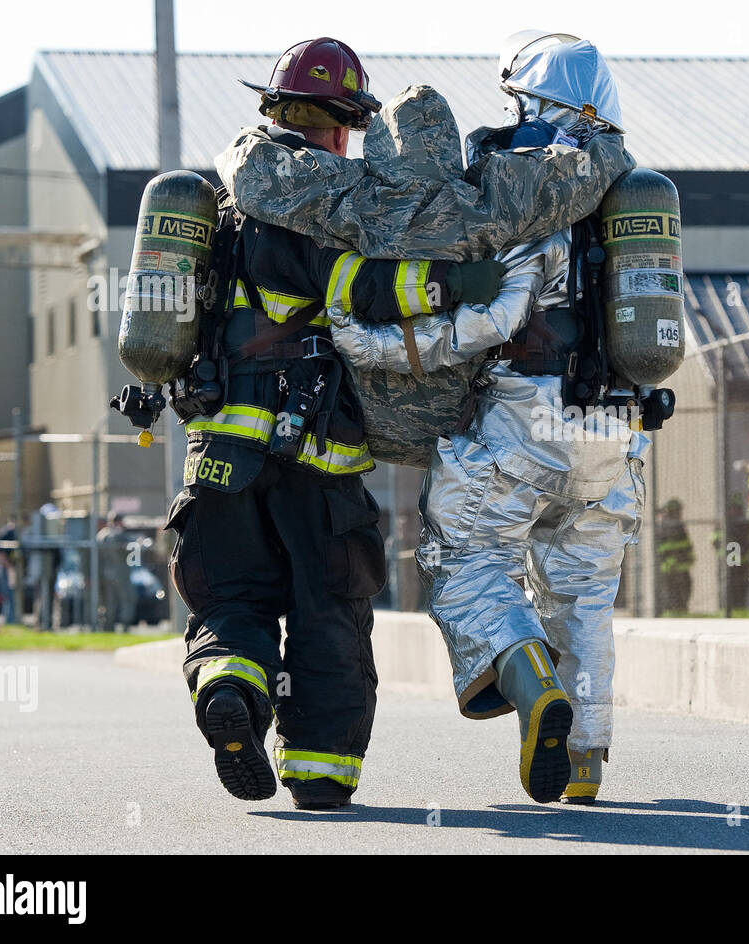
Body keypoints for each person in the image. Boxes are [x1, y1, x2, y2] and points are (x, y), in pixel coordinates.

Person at [167, 37, 505, 810]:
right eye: (347, 128)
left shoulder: (217, 210)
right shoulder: (301, 203)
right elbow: (355, 287)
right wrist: (455, 282)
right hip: (312, 455)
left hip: (216, 455)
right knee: (331, 611)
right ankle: (320, 772)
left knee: (231, 602)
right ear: (337, 124)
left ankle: (231, 692)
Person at [331, 33, 648, 805]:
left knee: (466, 566)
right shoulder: (632, 193)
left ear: (527, 97)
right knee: (584, 596)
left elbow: (495, 319)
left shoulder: (525, 187)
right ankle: (584, 762)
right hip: (615, 428)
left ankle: (533, 684)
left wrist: (375, 343)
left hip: (521, 415)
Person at [96, 511, 135, 631]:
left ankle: (108, 626)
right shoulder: (118, 534)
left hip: (106, 572)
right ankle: (125, 625)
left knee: (109, 601)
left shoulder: (101, 535)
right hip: (120, 572)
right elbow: (129, 549)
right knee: (126, 598)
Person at [656, 499, 694, 614]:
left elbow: (686, 545)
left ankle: (682, 613)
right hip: (669, 568)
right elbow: (663, 548)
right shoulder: (664, 527)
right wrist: (672, 561)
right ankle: (670, 615)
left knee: (684, 592)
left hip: (682, 567)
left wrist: (689, 558)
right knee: (671, 594)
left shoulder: (679, 526)